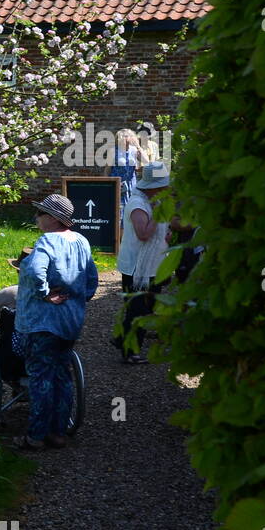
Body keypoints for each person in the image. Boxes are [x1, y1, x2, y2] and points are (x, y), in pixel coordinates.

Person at [14, 194, 98, 450]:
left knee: (41, 378)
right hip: (70, 322)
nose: (36, 218)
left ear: (52, 218)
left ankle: (36, 436)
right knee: (62, 376)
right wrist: (78, 300)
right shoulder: (81, 241)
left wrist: (44, 294)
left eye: (40, 213)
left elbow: (35, 271)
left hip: (42, 322)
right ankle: (58, 433)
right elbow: (92, 279)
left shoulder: (47, 241)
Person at [113, 157, 171, 364]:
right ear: (154, 187)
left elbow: (157, 233)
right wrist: (158, 214)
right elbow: (144, 234)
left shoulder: (151, 201)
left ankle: (121, 339)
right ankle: (131, 353)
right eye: (162, 186)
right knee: (138, 309)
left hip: (151, 265)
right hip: (137, 267)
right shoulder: (139, 204)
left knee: (143, 305)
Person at [111, 128, 142, 231]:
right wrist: (108, 184)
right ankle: (118, 242)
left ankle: (128, 238)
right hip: (118, 184)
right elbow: (107, 169)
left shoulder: (134, 150)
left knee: (131, 212)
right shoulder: (114, 150)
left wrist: (138, 147)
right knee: (119, 213)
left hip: (131, 185)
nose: (124, 139)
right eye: (122, 137)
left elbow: (145, 163)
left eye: (127, 136)